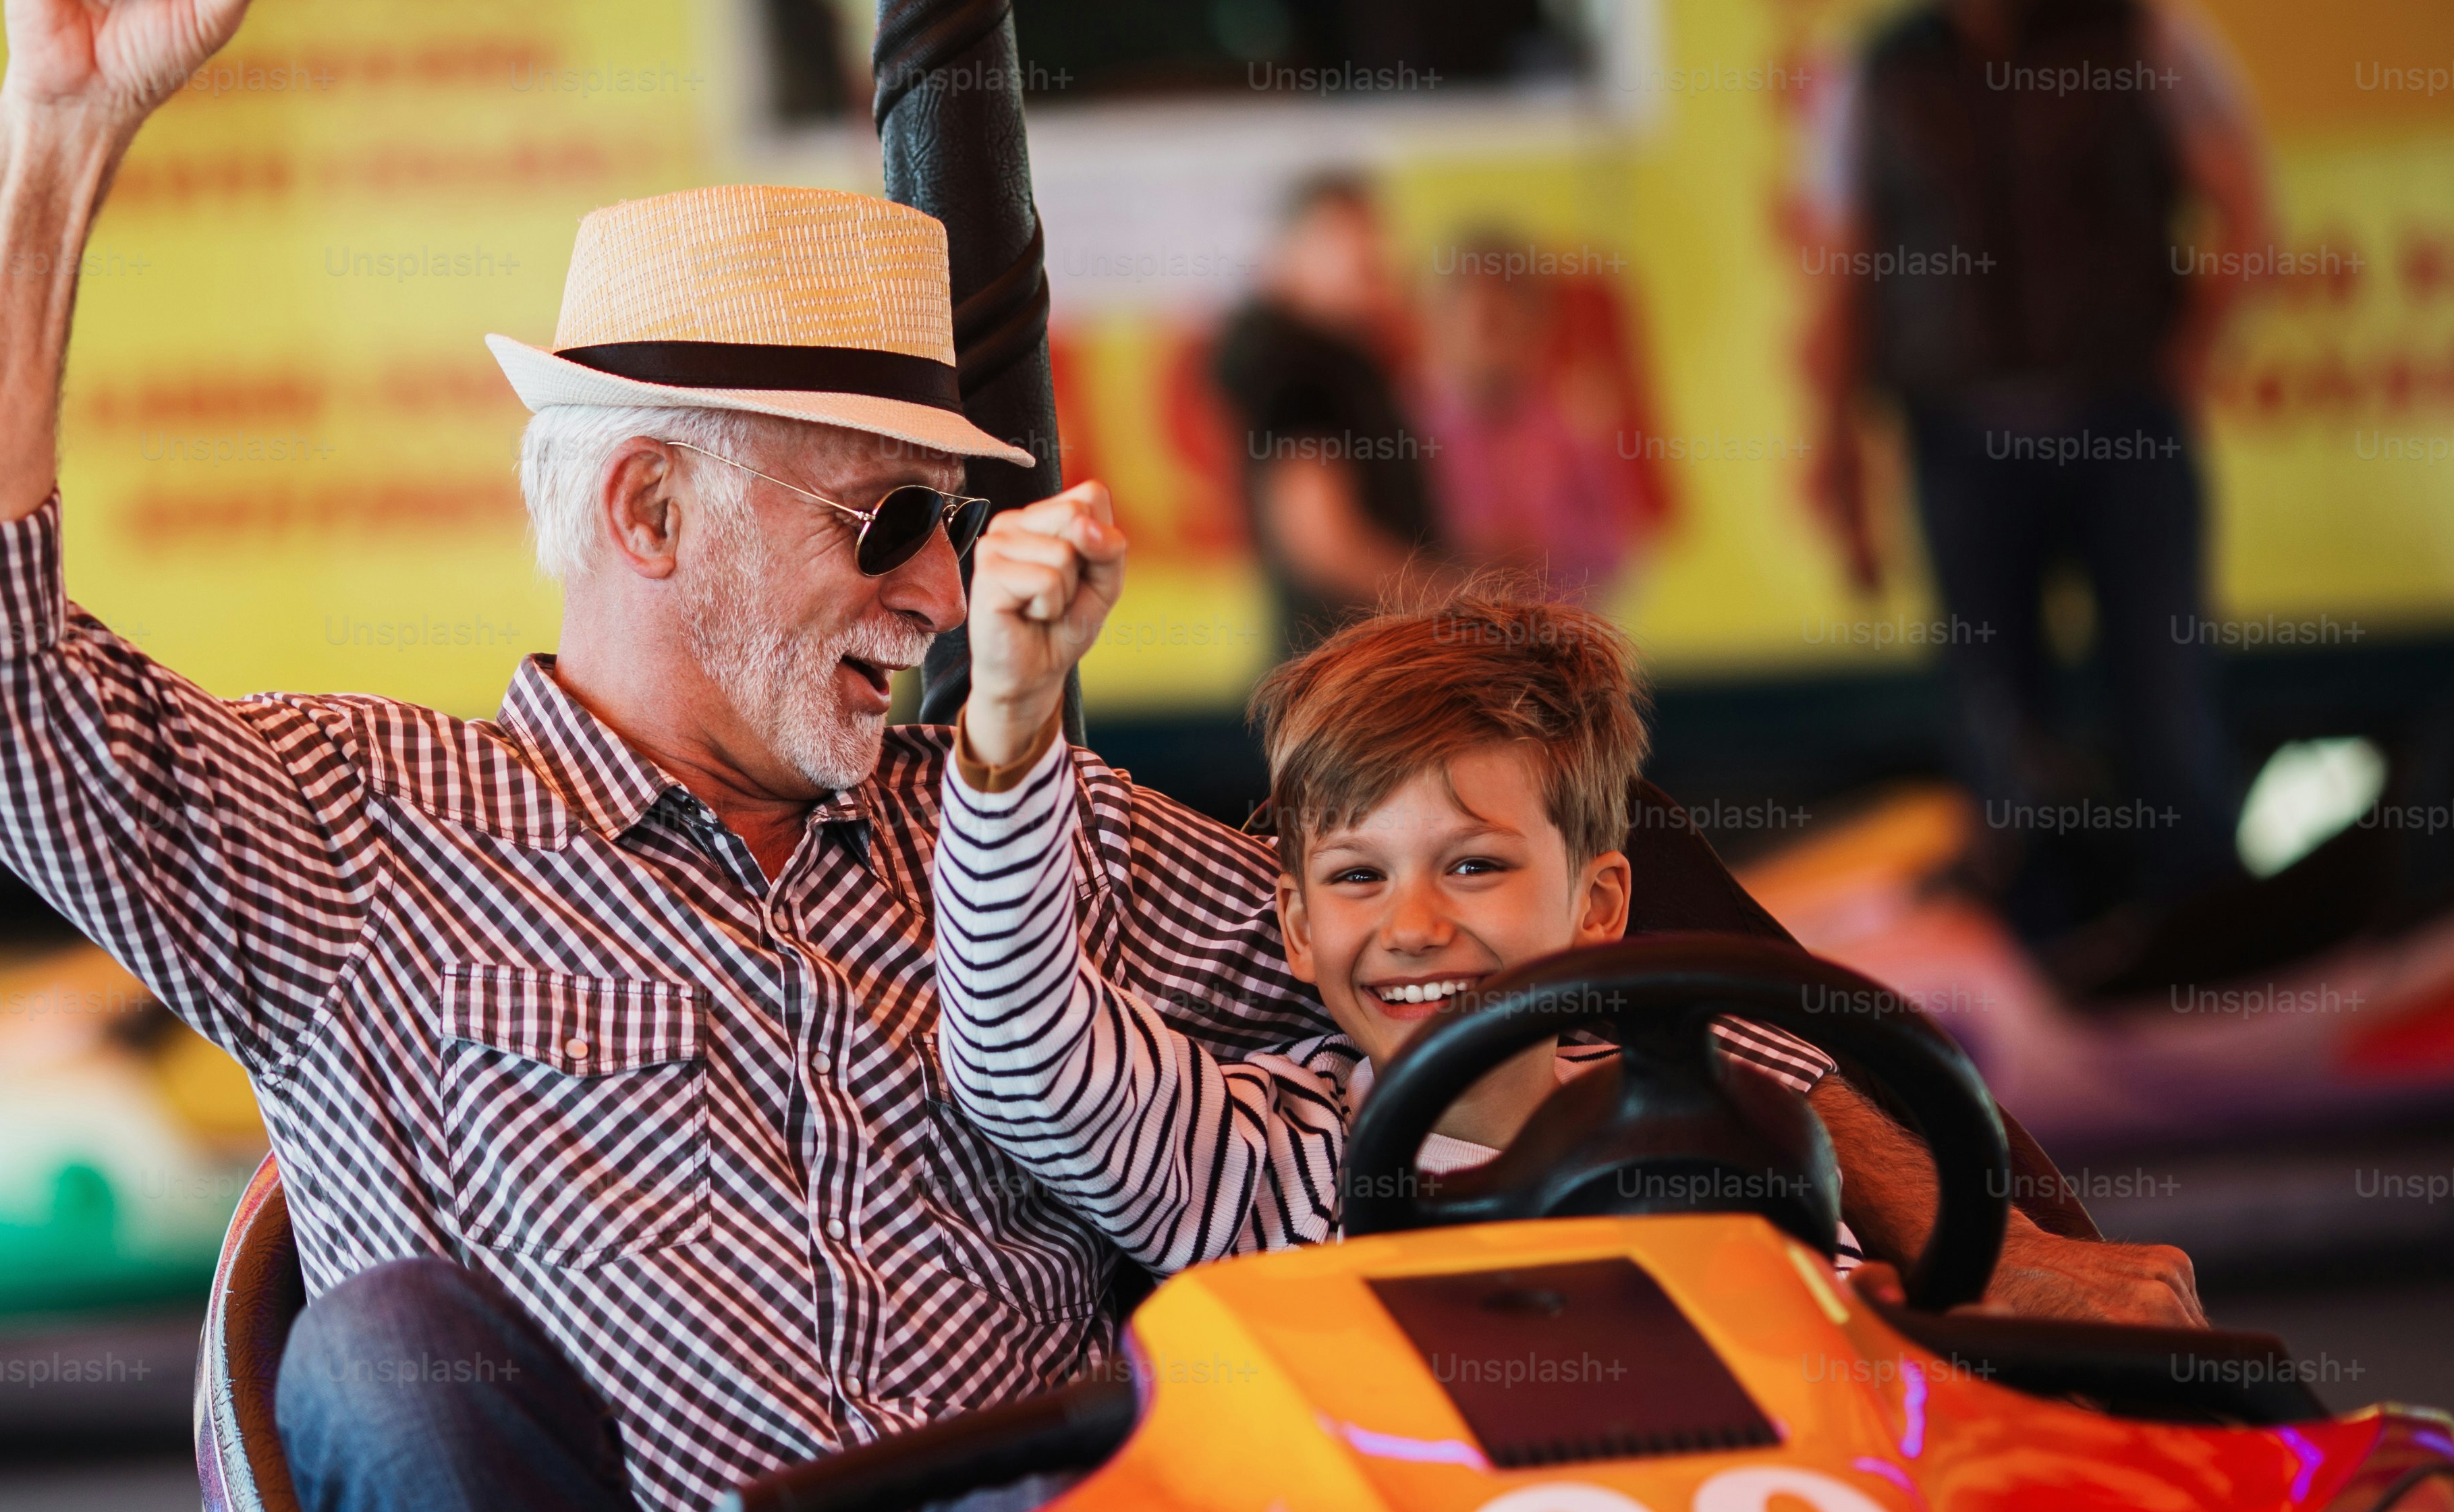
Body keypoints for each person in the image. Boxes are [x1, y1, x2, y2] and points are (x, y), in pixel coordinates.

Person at [0, 0, 2204, 1512]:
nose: (931, 591)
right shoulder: (349, 836)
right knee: (389, 1349)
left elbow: (1513, 992)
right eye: (882, 522)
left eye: (951, 531)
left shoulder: (1025, 825)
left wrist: (1992, 1238)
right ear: (651, 516)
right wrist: (54, 131)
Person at [933, 486, 2206, 1311]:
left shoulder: (1717, 1129)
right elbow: (1016, 1050)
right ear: (1292, 927)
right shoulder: (1264, 1164)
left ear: (1600, 904)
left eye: (1474, 864)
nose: (1413, 924)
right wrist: (1008, 719)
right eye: (1355, 876)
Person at [1802, 0, 2277, 917]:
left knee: (2165, 706)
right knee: (1994, 724)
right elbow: (1841, 274)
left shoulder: (2136, 22)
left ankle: (2204, 946)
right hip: (1958, 442)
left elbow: (2243, 197)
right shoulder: (1871, 72)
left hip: (2124, 423)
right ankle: (2032, 980)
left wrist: (2187, 355)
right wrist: (1836, 456)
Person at [1210, 171, 1453, 651]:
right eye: (1337, 234)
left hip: (1360, 663)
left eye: (1370, 232)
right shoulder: (1297, 370)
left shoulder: (1346, 361)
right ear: (1288, 255)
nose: (1365, 253)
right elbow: (1321, 545)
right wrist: (1457, 601)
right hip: (1349, 671)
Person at [1414, 227, 1642, 596]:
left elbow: (1612, 556)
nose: (1486, 341)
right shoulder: (1403, 427)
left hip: (1543, 638)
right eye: (1479, 322)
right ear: (1438, 323)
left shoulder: (1576, 430)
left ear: (1539, 327)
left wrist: (1541, 551)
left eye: (1500, 322)